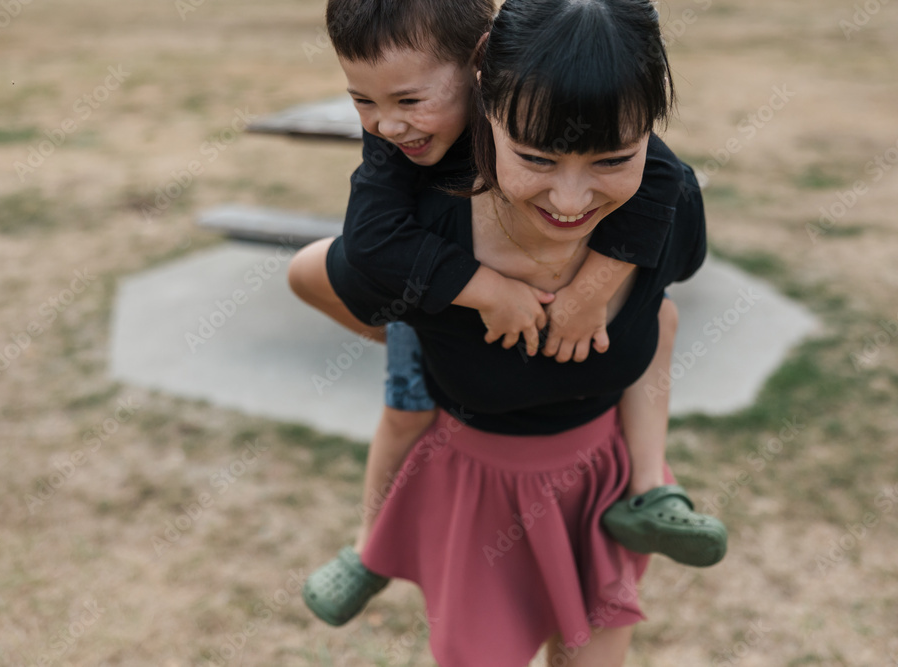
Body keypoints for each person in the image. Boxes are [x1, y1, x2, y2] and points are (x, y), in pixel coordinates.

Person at [288, 0, 726, 634]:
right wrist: (457, 304)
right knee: (405, 411)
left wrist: (591, 291)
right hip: (439, 326)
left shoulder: (572, 111)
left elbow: (661, 176)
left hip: (588, 457)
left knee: (662, 323)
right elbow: (359, 246)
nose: (386, 125)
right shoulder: (402, 162)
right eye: (362, 102)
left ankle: (649, 486)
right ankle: (370, 548)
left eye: (409, 101)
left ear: (476, 64)